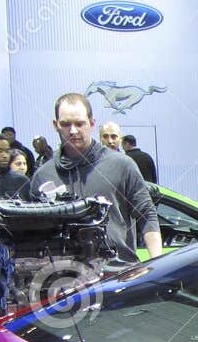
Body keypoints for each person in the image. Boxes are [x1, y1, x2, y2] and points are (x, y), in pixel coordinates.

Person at [32, 91, 160, 260]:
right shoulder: (43, 176)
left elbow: (147, 215)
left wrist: (156, 265)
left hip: (118, 275)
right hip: (63, 279)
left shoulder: (122, 165)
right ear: (55, 125)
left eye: (80, 123)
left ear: (92, 123)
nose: (73, 130)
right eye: (65, 124)